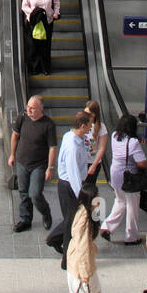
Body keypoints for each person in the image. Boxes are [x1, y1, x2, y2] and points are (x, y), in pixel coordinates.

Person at [48, 112, 92, 266]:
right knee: (71, 223)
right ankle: (66, 259)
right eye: (89, 125)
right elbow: (73, 172)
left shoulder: (70, 136)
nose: (91, 127)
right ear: (83, 126)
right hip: (69, 186)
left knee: (70, 219)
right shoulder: (73, 145)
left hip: (67, 184)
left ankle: (54, 239)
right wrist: (81, 194)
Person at [8, 95, 57, 232]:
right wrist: (12, 154)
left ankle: (46, 213)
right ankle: (25, 219)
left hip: (39, 165)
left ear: (41, 109)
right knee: (23, 192)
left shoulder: (48, 125)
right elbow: (15, 136)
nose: (28, 110)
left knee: (35, 194)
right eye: (28, 107)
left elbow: (52, 147)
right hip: (22, 161)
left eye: (32, 108)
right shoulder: (22, 117)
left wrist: (50, 167)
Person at [103, 114, 147, 244]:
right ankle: (131, 236)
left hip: (115, 174)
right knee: (132, 205)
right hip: (129, 178)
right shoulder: (133, 143)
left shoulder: (114, 136)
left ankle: (106, 227)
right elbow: (141, 163)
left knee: (120, 201)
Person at [65, 178, 101, 293]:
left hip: (76, 262)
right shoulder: (85, 218)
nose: (99, 200)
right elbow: (82, 247)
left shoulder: (82, 209)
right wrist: (84, 274)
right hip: (80, 267)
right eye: (97, 198)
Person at [20, 0, 60, 76]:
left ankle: (45, 68)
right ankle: (34, 68)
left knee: (46, 46)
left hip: (47, 22)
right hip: (34, 23)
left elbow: (56, 2)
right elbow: (24, 6)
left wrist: (56, 12)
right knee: (34, 46)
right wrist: (33, 14)